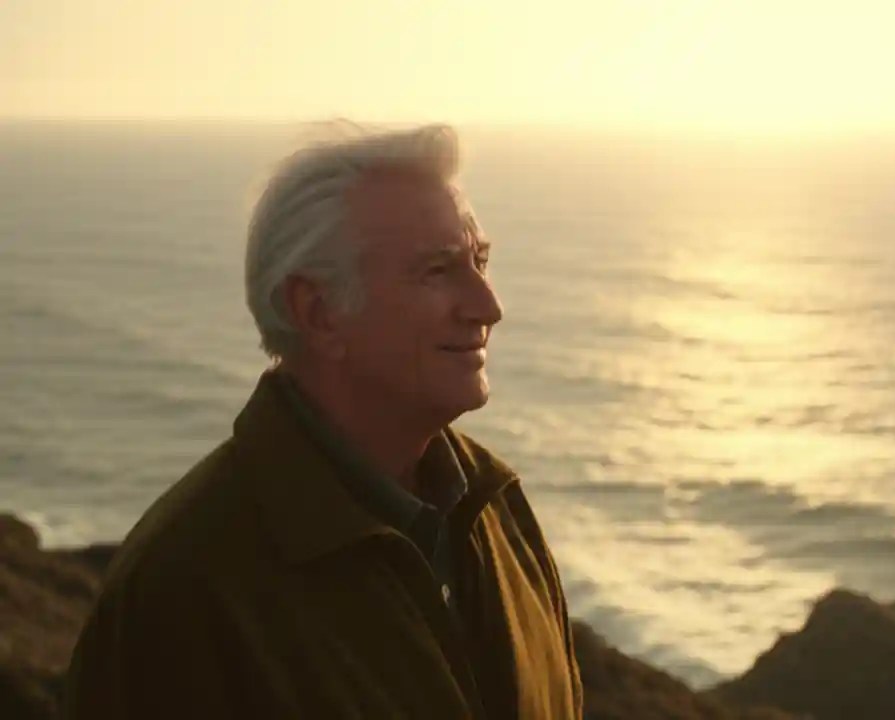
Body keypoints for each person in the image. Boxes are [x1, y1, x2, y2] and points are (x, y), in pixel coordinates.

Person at [64, 125, 583, 719]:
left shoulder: (497, 505)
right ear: (317, 311)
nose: (488, 306)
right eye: (438, 271)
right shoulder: (181, 586)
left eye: (480, 261)